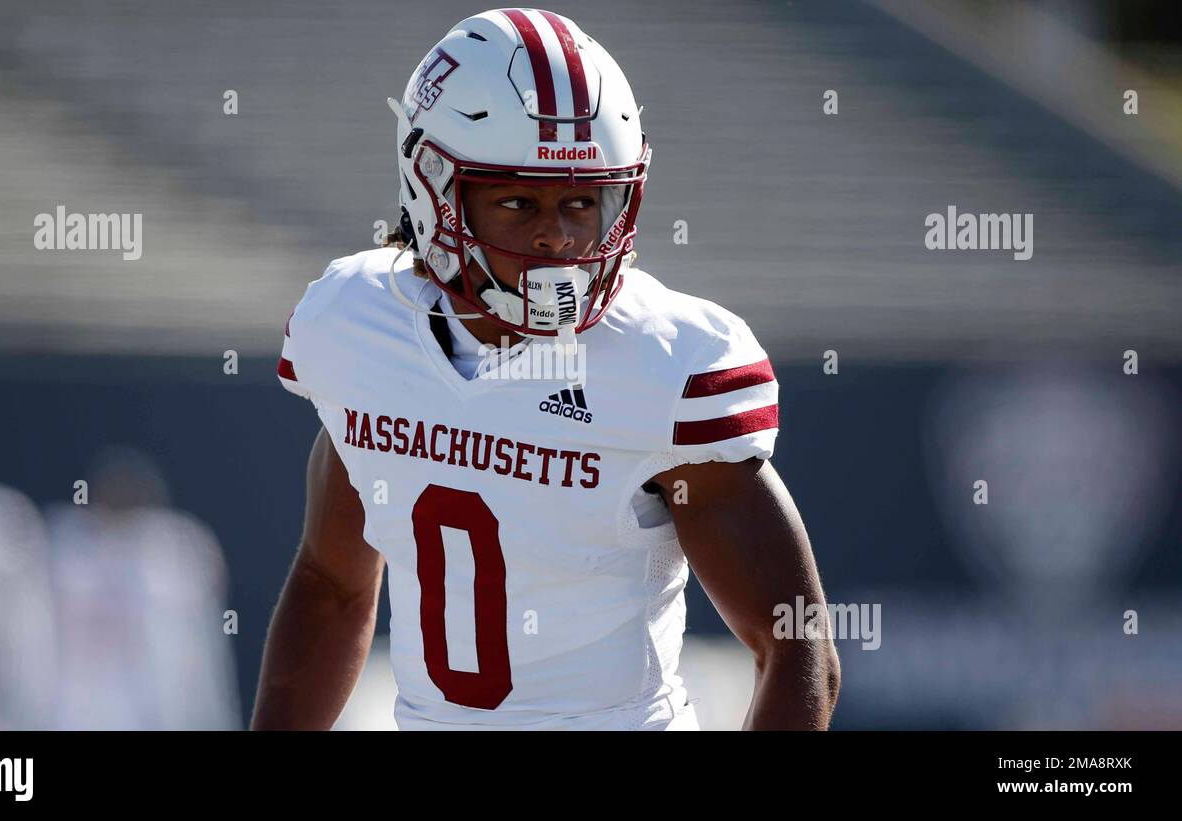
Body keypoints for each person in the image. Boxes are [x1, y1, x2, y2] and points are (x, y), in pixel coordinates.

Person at [254, 8, 839, 730]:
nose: (557, 236)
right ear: (434, 190)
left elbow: (796, 643)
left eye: (580, 201)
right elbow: (333, 586)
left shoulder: (667, 365)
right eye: (517, 200)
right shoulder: (361, 327)